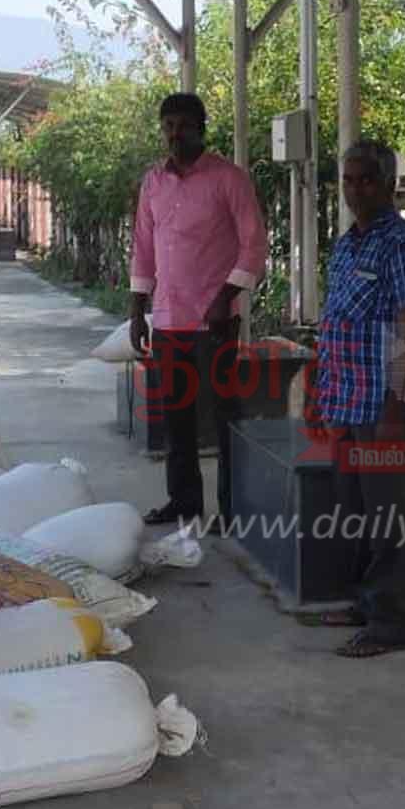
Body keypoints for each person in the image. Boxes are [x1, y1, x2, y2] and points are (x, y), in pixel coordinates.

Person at [310, 139, 405, 659]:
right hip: (345, 402)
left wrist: (395, 406)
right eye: (347, 179)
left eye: (365, 179)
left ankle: (390, 624)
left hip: (382, 408)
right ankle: (365, 604)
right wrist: (319, 393)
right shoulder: (346, 245)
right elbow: (335, 323)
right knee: (358, 514)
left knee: (390, 520)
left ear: (388, 184)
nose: (354, 189)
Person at [129, 92, 268, 530]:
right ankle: (184, 502)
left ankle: (233, 508)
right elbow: (144, 247)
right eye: (168, 125)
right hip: (168, 321)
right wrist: (137, 311)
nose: (175, 134)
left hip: (215, 323)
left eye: (183, 125)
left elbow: (254, 244)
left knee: (226, 418)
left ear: (201, 127)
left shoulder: (229, 179)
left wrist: (226, 297)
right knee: (176, 416)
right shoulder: (153, 182)